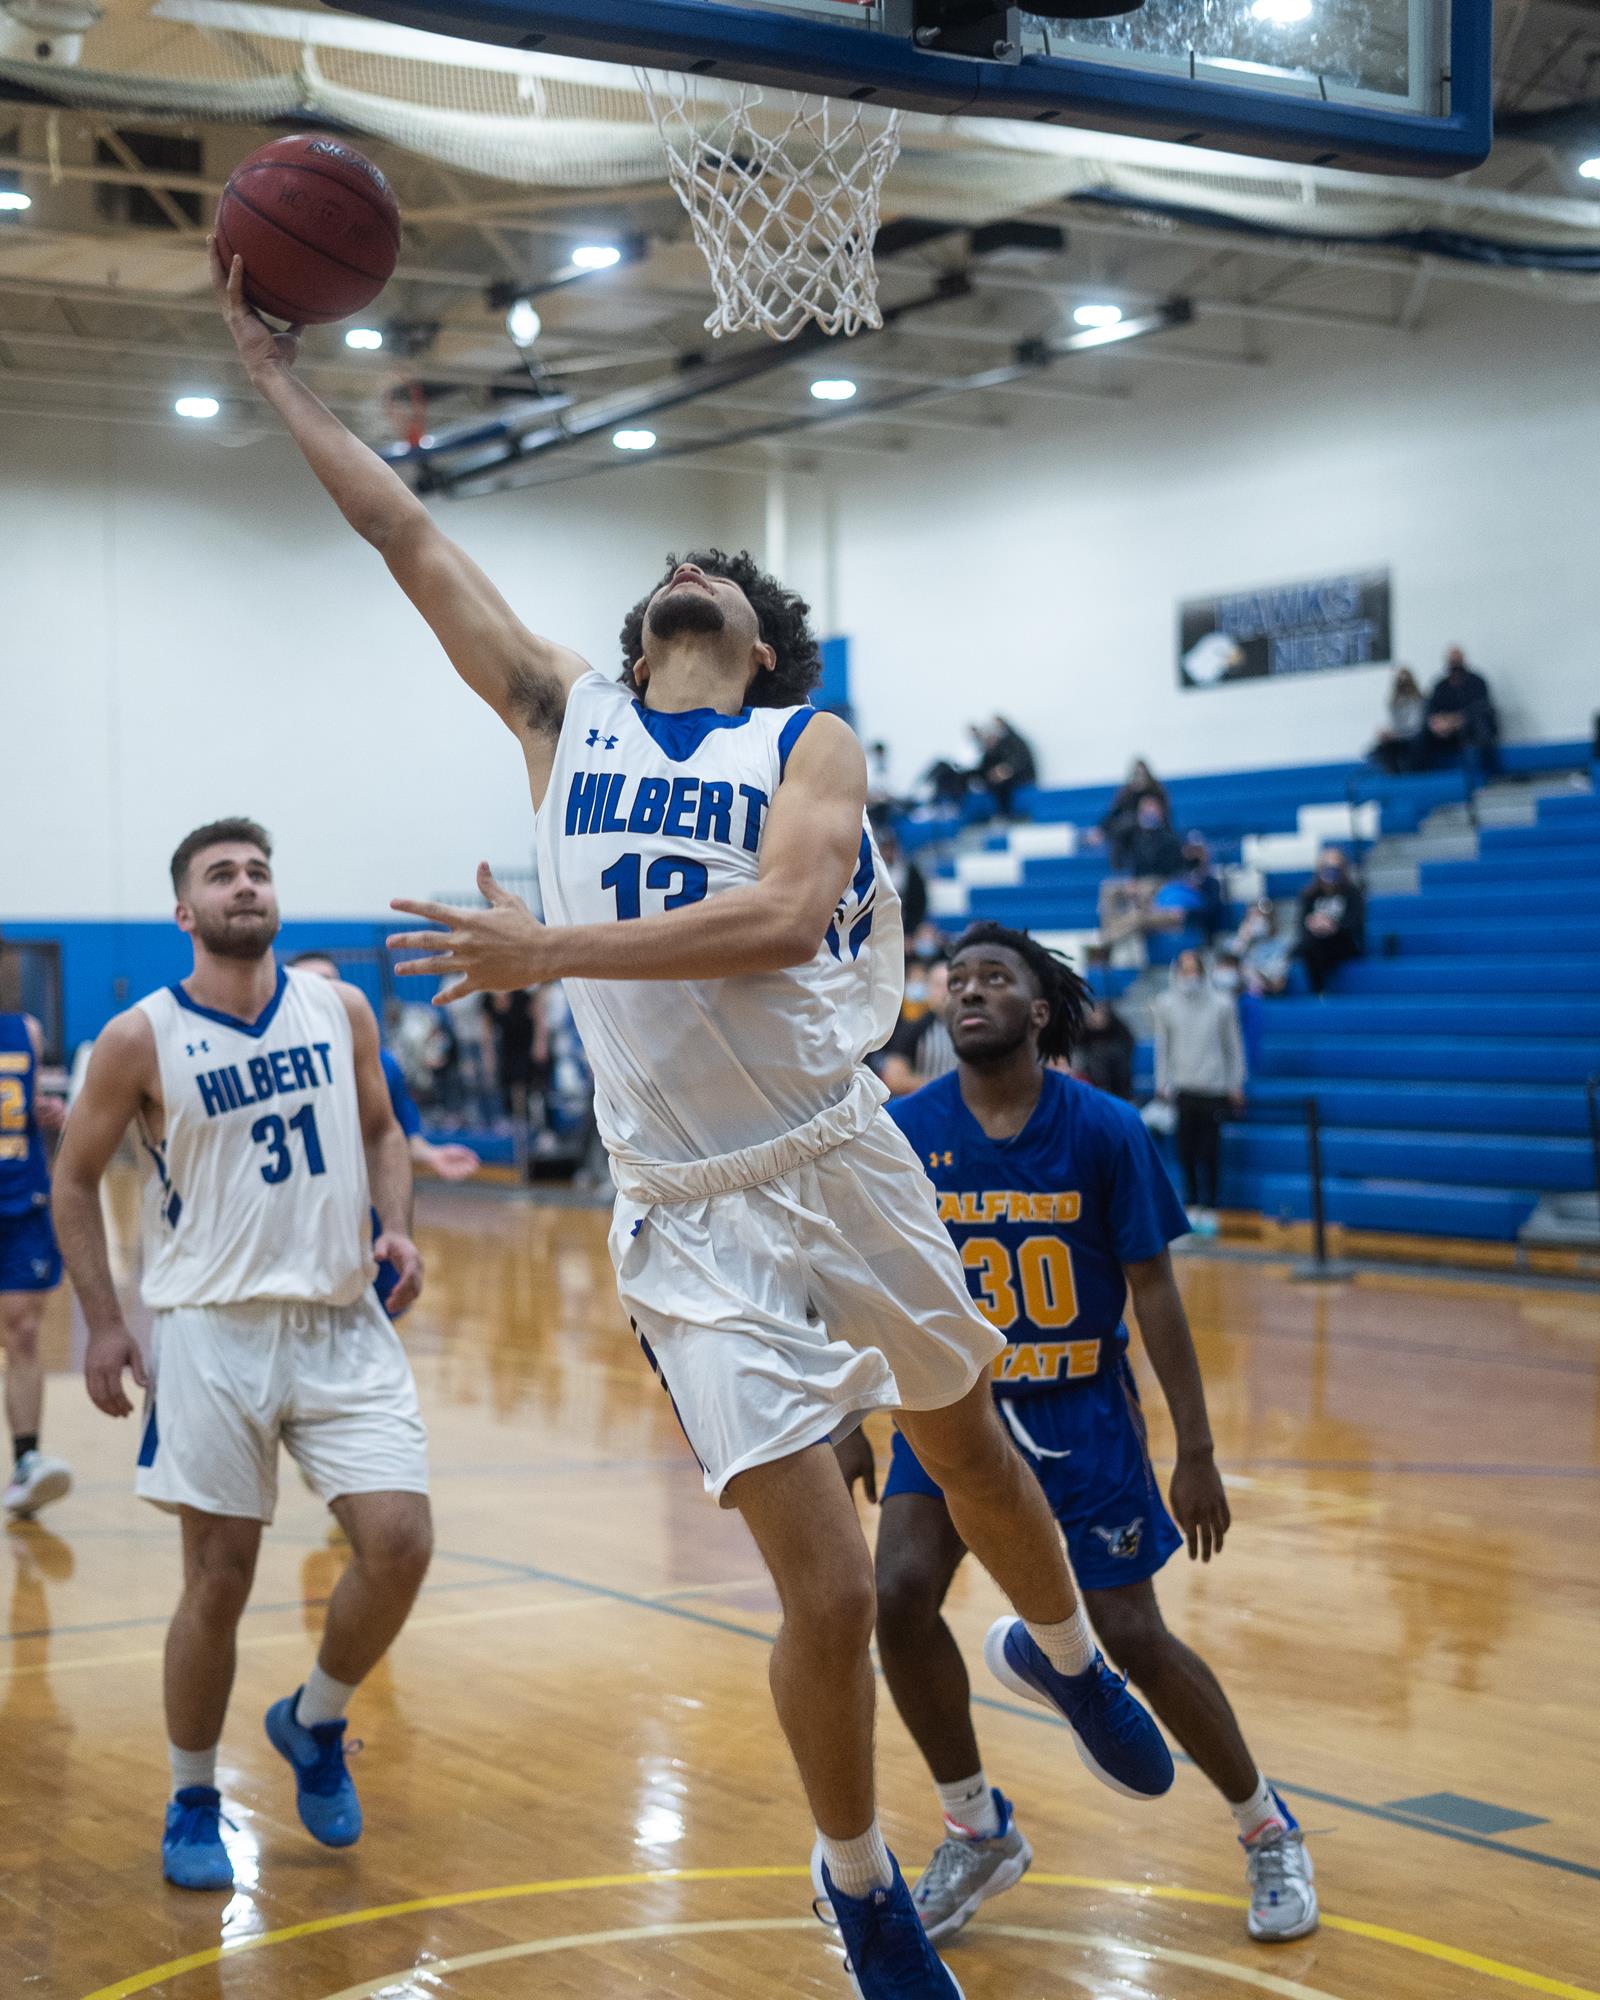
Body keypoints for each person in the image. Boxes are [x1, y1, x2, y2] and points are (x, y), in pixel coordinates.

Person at [214, 242, 1173, 2000]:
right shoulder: (556, 712)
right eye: (675, 569)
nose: (689, 578)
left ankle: (1058, 1651)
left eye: (721, 577)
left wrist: (543, 948)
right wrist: (280, 379)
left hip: (839, 1151)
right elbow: (406, 536)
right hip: (687, 1212)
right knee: (819, 1593)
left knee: (975, 1451)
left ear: (759, 641)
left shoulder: (814, 744)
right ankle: (862, 1882)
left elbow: (785, 922)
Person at [844, 923, 1316, 1947]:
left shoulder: (1102, 1128)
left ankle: (1265, 1823)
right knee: (896, 1595)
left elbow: (1156, 1294)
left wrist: (1194, 1449)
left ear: (1040, 1007)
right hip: (950, 1407)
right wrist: (845, 1415)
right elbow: (858, 1282)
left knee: (1134, 1633)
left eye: (994, 978)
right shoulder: (901, 1129)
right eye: (955, 978)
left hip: (1080, 1411)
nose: (968, 991)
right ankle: (974, 1825)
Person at [51, 818, 433, 1894]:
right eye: (221, 874)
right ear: (186, 911)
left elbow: (380, 1128)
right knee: (218, 1578)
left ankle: (313, 1721)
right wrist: (107, 1321)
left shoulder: (338, 1008)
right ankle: (192, 1792)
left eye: (258, 869)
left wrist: (395, 1222)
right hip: (212, 1327)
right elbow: (74, 1177)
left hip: (341, 1319)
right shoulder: (138, 1036)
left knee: (399, 1542)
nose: (246, 883)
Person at [290, 955, 481, 1185]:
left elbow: (400, 1135)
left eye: (331, 982)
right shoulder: (271, 1064)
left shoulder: (379, 1063)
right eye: (312, 983)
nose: (324, 991)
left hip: (357, 1200)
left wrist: (430, 1154)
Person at [1, 1004, 72, 1519]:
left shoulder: (26, 1029)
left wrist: (48, 1114)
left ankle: (26, 1462)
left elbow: (29, 1106)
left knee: (23, 1333)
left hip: (20, 1201)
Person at [1152, 949, 1245, 1234]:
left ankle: (1212, 1205)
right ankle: (1191, 1202)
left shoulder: (1222, 1004)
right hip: (1184, 1088)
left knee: (1210, 1150)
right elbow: (1162, 1046)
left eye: (1194, 969)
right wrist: (1162, 1081)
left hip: (1214, 1088)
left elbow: (1233, 1046)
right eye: (1184, 969)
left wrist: (1235, 1083)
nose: (1189, 975)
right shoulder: (1165, 1004)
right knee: (1186, 1150)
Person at [1097, 798, 1186, 946]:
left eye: (1151, 810)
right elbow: (1131, 863)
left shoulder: (1170, 838)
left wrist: (1141, 884)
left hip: (1160, 880)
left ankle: (1106, 939)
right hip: (1139, 880)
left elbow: (1173, 870)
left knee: (1145, 891)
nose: (1148, 814)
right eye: (1144, 811)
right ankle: (1109, 928)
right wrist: (1133, 882)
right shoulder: (1137, 837)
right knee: (1109, 888)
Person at [1296, 848, 1366, 997]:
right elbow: (1302, 923)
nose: (1331, 873)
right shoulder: (1309, 894)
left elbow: (1355, 922)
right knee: (1308, 945)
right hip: (1316, 942)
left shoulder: (1352, 893)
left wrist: (1333, 926)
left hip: (1342, 941)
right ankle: (1318, 992)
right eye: (1326, 868)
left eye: (1335, 868)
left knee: (1320, 945)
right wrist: (1314, 924)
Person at [881, 959, 956, 1096]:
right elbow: (893, 1079)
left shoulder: (974, 1029)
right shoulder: (914, 1028)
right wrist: (947, 1086)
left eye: (951, 984)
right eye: (939, 985)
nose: (946, 991)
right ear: (928, 989)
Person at [1424, 647, 1500, 778]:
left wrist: (1458, 720)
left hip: (1471, 728)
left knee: (1475, 728)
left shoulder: (1477, 682)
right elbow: (1432, 710)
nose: (1455, 664)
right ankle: (1421, 781)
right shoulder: (1441, 686)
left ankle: (1477, 779)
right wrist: (1438, 723)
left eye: (1457, 660)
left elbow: (1481, 707)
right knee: (1421, 736)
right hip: (1446, 733)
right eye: (1452, 661)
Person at [1092, 760, 1171, 871]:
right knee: (1121, 827)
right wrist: (1100, 829)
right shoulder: (1126, 794)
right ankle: (1120, 869)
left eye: (1142, 774)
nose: (1139, 778)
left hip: (1153, 833)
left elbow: (1165, 817)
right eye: (1136, 774)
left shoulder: (1157, 792)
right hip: (1128, 833)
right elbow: (1113, 814)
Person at [970, 715, 1037, 821]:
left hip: (1021, 776)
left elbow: (1018, 761)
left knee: (1000, 783)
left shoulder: (1013, 740)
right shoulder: (993, 746)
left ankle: (1006, 814)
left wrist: (1006, 771)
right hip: (1008, 775)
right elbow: (985, 767)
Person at [1072, 993, 1136, 1101]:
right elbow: (1078, 1044)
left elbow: (1128, 1042)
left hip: (1117, 1062)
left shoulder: (1117, 1026)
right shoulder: (1085, 1027)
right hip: (1094, 1063)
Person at [1368, 667, 1427, 775]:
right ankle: (1393, 777)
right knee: (1381, 746)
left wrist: (1396, 733)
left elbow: (1416, 725)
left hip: (1415, 736)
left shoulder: (1418, 699)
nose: (1403, 685)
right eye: (1400, 682)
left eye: (1405, 682)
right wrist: (1388, 732)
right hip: (1399, 736)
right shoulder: (1394, 702)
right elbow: (1394, 723)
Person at [1229, 900, 1292, 998]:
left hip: (1268, 993)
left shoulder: (1281, 944)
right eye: (1251, 918)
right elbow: (1229, 967)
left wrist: (1258, 977)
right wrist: (1243, 939)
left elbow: (1278, 983)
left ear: (1270, 920)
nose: (1255, 922)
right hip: (1239, 994)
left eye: (1260, 917)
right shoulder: (1240, 942)